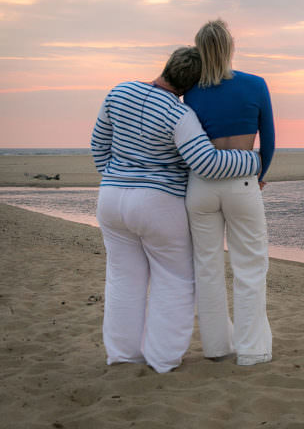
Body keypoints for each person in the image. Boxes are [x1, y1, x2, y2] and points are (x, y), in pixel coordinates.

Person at [90, 46, 263, 373]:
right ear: (192, 86)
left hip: (111, 199)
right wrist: (255, 160)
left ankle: (123, 355)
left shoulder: (119, 91)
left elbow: (99, 145)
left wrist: (117, 177)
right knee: (174, 280)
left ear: (167, 65)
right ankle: (163, 358)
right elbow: (207, 164)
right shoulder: (180, 115)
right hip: (158, 203)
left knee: (123, 278)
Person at [184, 19, 275, 366]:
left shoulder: (190, 92)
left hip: (200, 186)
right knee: (250, 267)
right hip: (242, 185)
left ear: (200, 50)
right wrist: (259, 173)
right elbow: (268, 140)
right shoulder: (255, 85)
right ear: (230, 47)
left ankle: (216, 347)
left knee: (206, 267)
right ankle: (252, 351)